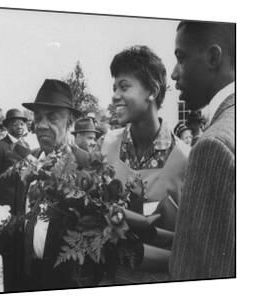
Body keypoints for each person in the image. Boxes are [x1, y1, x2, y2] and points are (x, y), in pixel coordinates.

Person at [9, 79, 91, 291]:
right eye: (38, 118)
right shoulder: (29, 162)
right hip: (26, 277)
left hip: (65, 281)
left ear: (70, 121)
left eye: (52, 118)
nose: (42, 125)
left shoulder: (88, 166)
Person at [169, 20, 235, 280]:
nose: (174, 73)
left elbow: (196, 275)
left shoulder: (213, 146)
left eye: (181, 57)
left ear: (213, 57)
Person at [101, 45, 190, 233]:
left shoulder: (185, 159)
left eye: (124, 87)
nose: (115, 96)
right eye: (114, 88)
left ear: (152, 90)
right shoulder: (106, 146)